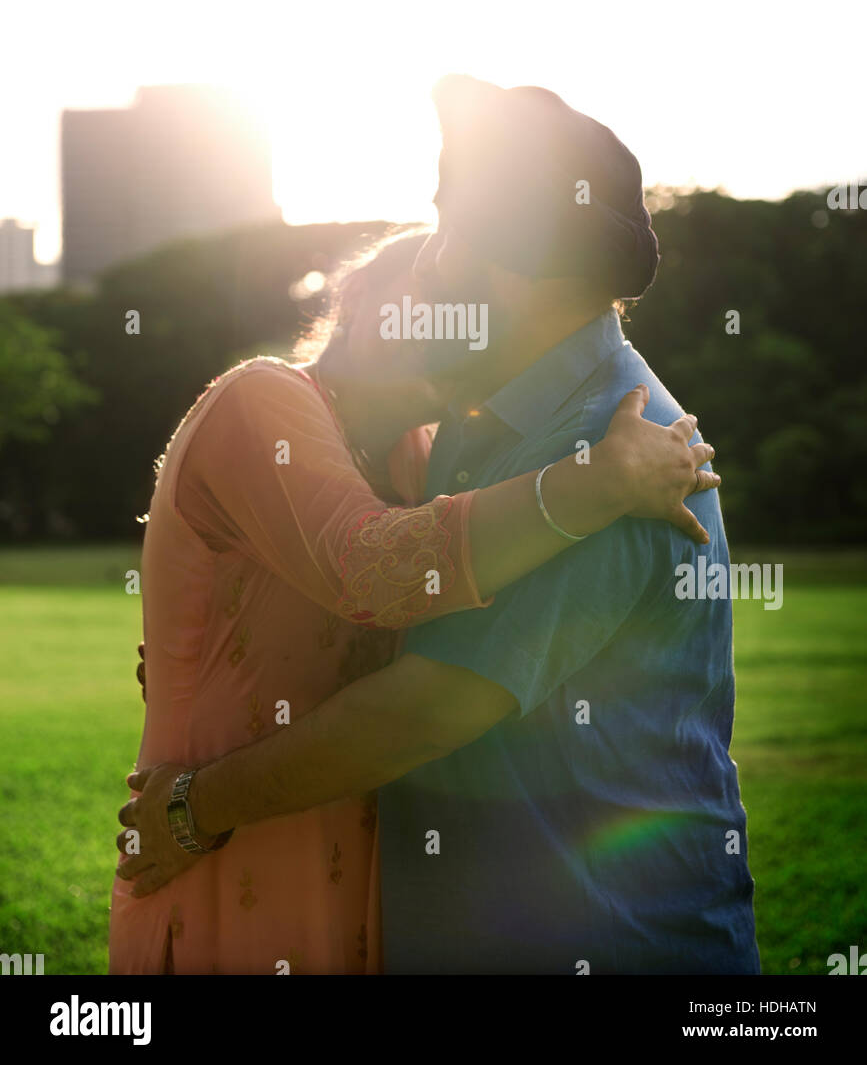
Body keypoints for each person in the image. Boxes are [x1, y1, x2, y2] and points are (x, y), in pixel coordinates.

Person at [111, 221, 717, 976]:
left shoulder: (420, 457)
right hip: (217, 848)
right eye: (427, 301)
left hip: (360, 865)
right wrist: (596, 483)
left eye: (468, 313)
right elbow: (371, 570)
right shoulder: (260, 399)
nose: (453, 328)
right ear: (358, 301)